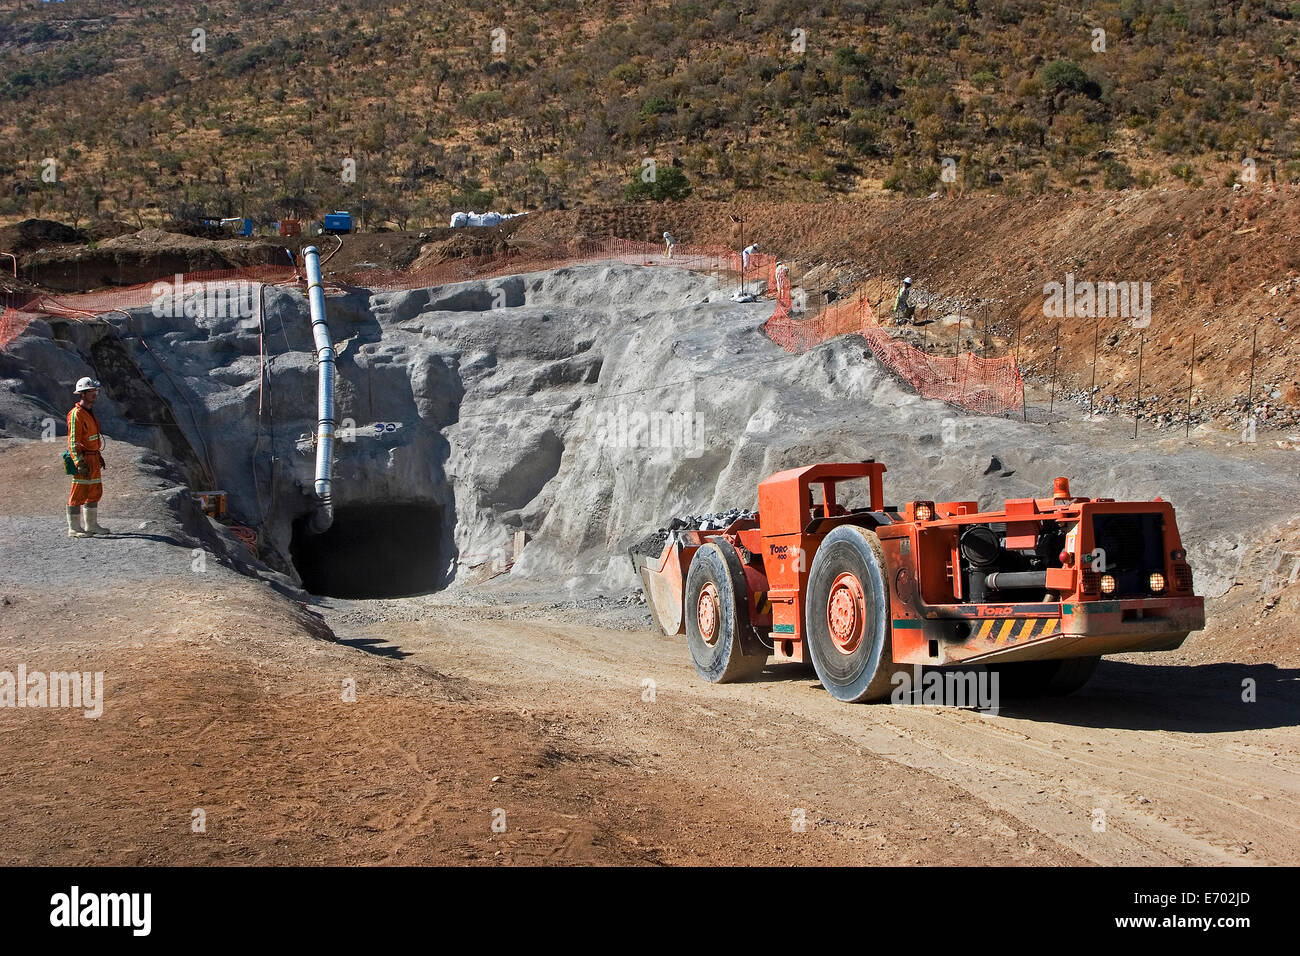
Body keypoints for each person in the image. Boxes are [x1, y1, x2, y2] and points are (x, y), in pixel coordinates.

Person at [66, 377, 110, 538]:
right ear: (82, 394)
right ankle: (74, 528)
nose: (94, 394)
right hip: (83, 459)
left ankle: (91, 525)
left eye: (95, 391)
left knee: (94, 490)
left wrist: (97, 455)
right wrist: (78, 462)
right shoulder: (76, 414)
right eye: (91, 392)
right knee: (79, 491)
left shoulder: (88, 412)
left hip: (93, 457)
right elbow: (73, 441)